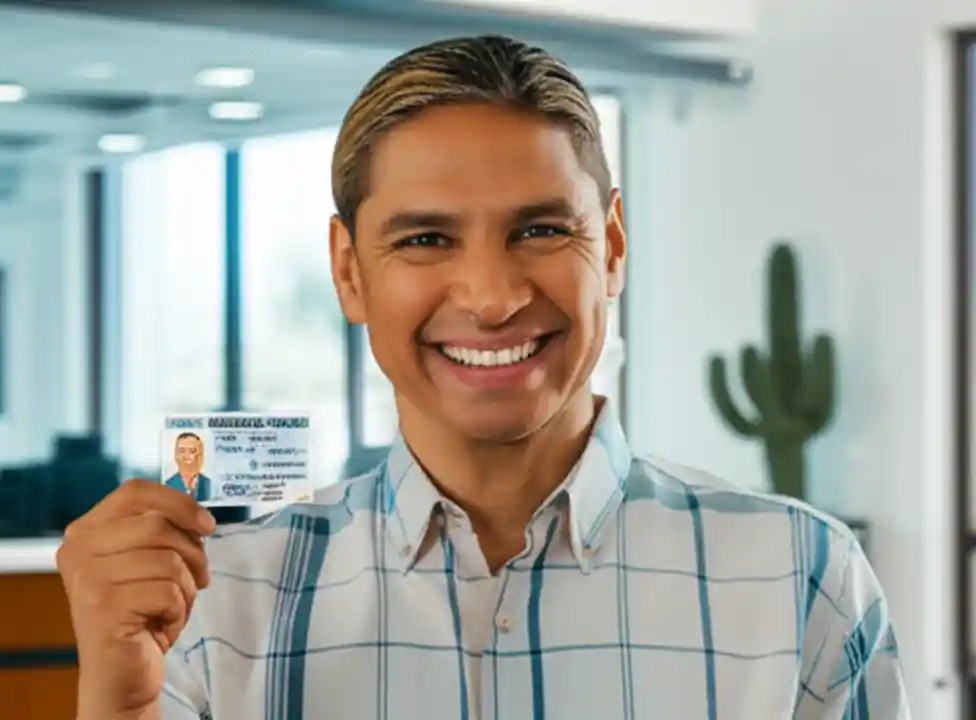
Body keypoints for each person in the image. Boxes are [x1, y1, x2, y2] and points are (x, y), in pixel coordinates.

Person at [56, 35, 909, 719]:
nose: (495, 298)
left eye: (540, 229)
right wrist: (116, 706)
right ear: (349, 273)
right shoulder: (218, 606)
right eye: (426, 239)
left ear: (610, 246)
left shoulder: (802, 576)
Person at [163, 432, 212, 503]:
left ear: (200, 455)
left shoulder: (210, 485)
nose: (186, 456)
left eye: (192, 451)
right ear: (175, 454)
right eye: (181, 451)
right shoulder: (166, 486)